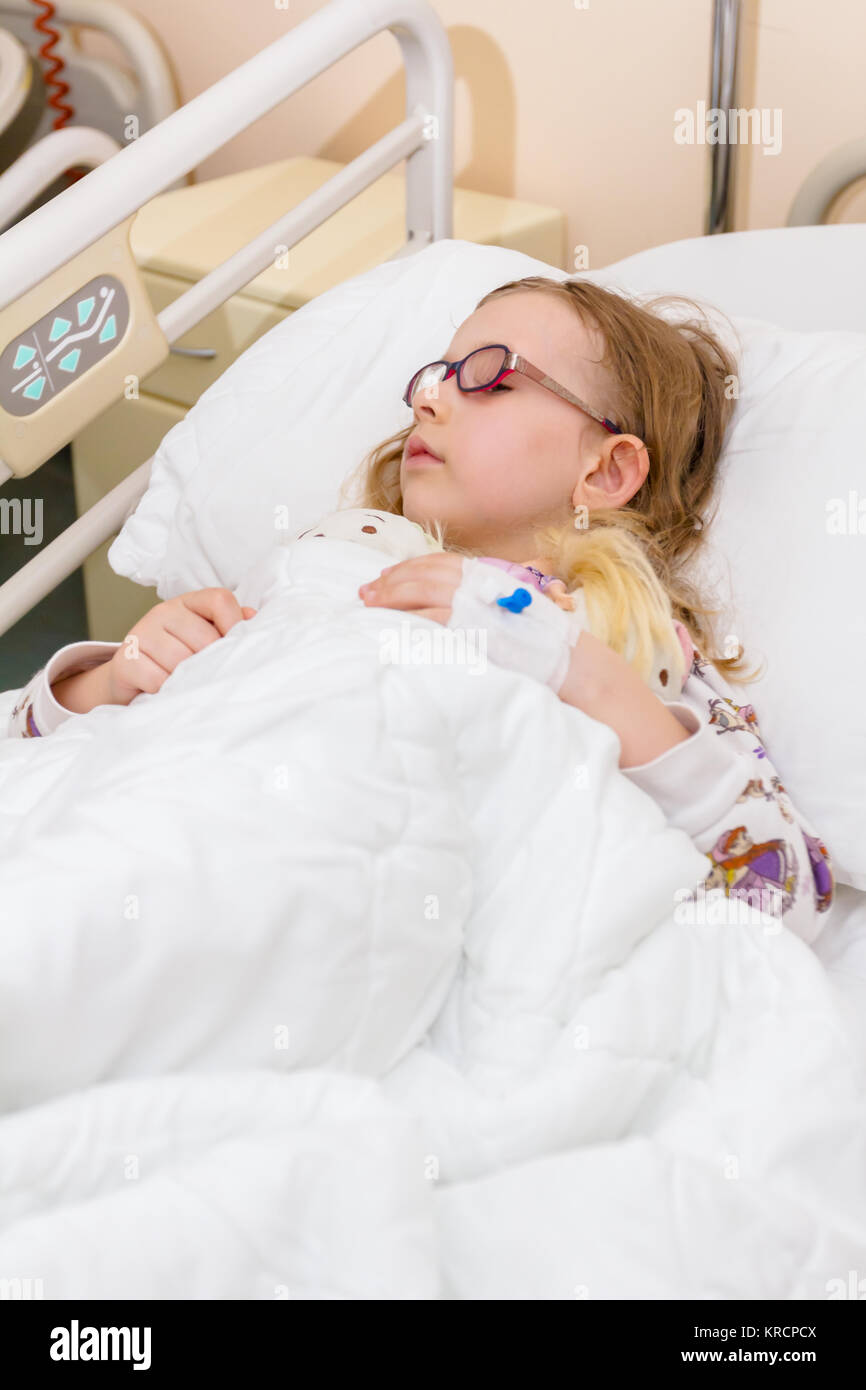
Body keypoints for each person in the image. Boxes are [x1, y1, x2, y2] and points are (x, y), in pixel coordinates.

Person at [5, 277, 835, 944]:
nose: (429, 399)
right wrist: (110, 681)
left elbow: (782, 895)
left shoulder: (612, 638)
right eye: (434, 375)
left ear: (608, 471)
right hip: (172, 821)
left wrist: (569, 664)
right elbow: (35, 752)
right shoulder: (332, 558)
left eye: (489, 376)